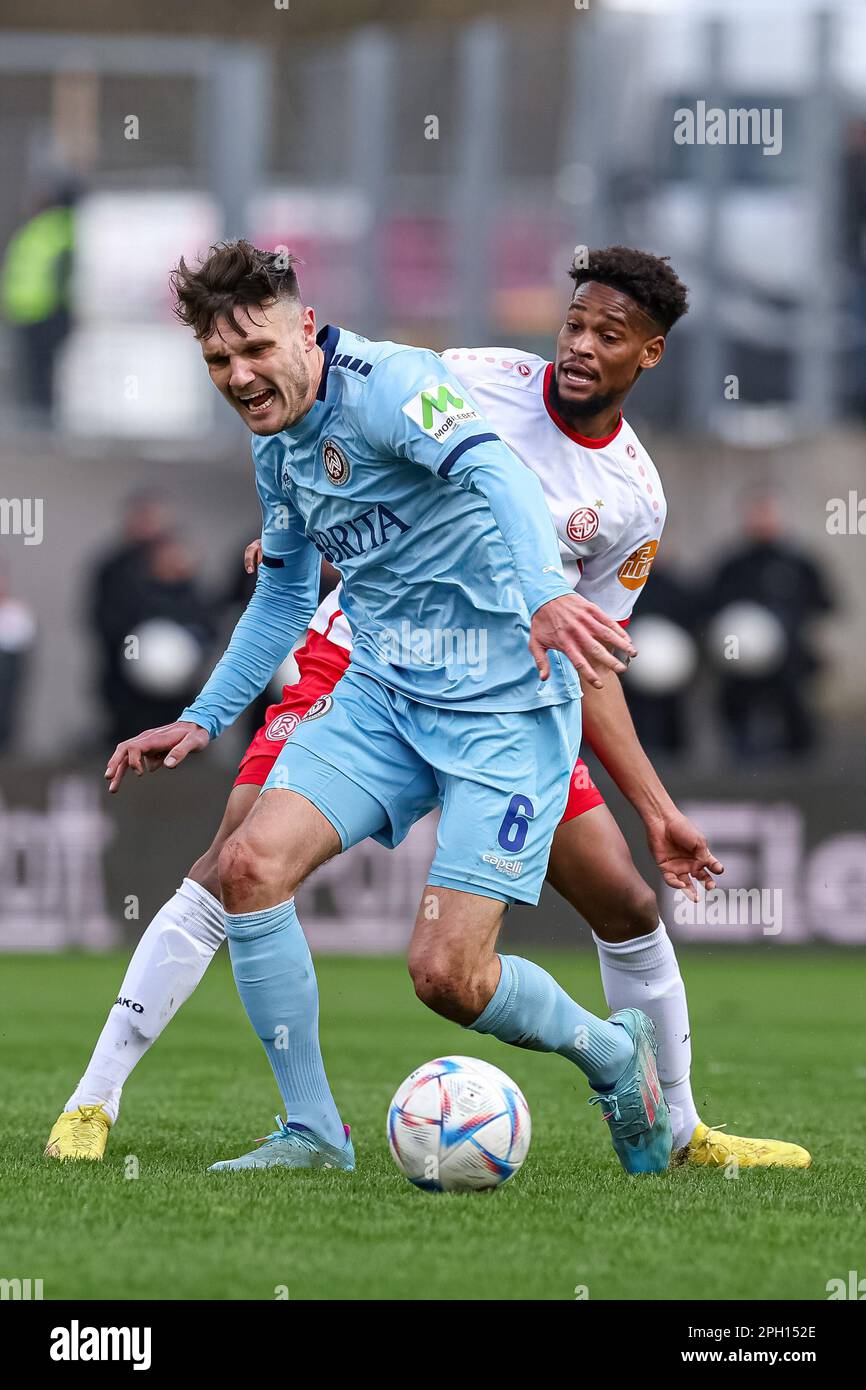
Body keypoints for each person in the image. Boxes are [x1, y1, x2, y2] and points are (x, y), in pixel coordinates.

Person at [47, 246, 809, 1174]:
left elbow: (493, 479)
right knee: (244, 866)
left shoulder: (434, 400)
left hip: (503, 712)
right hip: (380, 684)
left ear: (304, 325)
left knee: (451, 975)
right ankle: (313, 1132)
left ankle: (622, 1060)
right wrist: (202, 717)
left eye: (252, 350)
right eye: (218, 362)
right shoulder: (315, 424)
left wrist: (542, 605)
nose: (239, 377)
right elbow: (286, 596)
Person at [705, 488, 835, 759]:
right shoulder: (732, 565)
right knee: (736, 713)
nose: (762, 520)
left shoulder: (799, 563)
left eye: (768, 513)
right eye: (756, 513)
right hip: (739, 662)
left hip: (790, 659)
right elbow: (709, 607)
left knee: (795, 714)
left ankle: (802, 767)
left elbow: (825, 603)